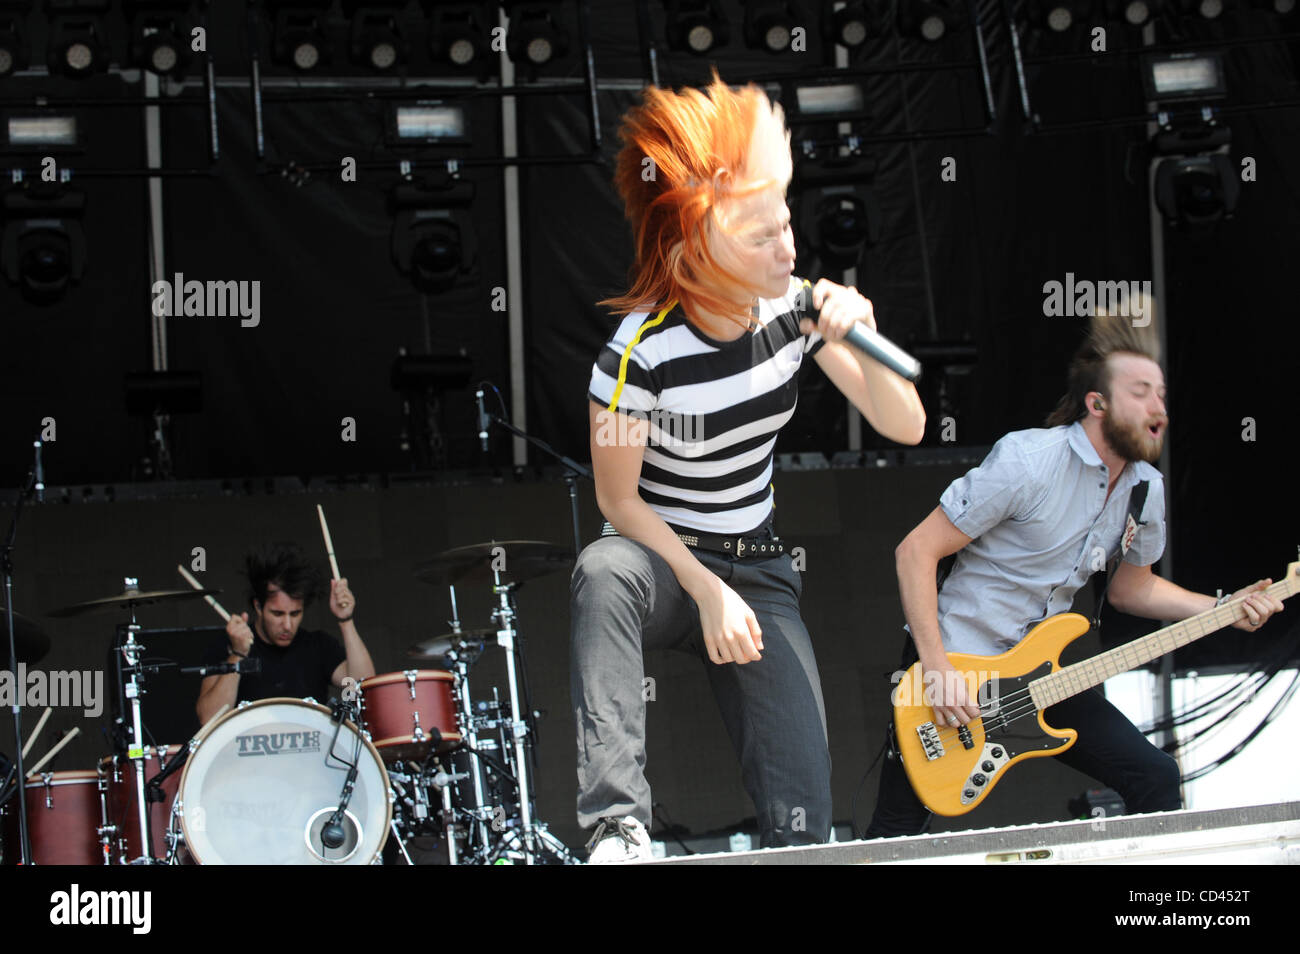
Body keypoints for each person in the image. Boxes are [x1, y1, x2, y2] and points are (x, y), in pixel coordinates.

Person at [571, 73, 926, 862]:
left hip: (759, 566)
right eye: (762, 236)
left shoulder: (795, 314)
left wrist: (856, 333)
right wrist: (704, 588)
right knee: (603, 572)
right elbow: (617, 502)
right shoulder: (635, 354)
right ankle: (618, 828)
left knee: (805, 815)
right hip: (666, 563)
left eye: (787, 225)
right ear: (701, 244)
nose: (788, 248)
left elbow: (906, 426)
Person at [864, 311, 1284, 837]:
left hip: (1038, 674)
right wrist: (937, 669)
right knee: (896, 833)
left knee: (1155, 778)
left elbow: (1133, 588)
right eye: (1141, 393)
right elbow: (915, 552)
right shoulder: (1028, 461)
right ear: (1097, 404)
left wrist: (1223, 609)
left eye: (1162, 395)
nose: (1159, 408)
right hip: (954, 668)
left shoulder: (1144, 491)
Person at [196, 542, 376, 726]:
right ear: (258, 606)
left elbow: (360, 688)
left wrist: (345, 620)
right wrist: (238, 655)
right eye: (278, 614)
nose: (287, 625)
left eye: (295, 613)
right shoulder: (227, 646)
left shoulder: (318, 647)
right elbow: (209, 719)